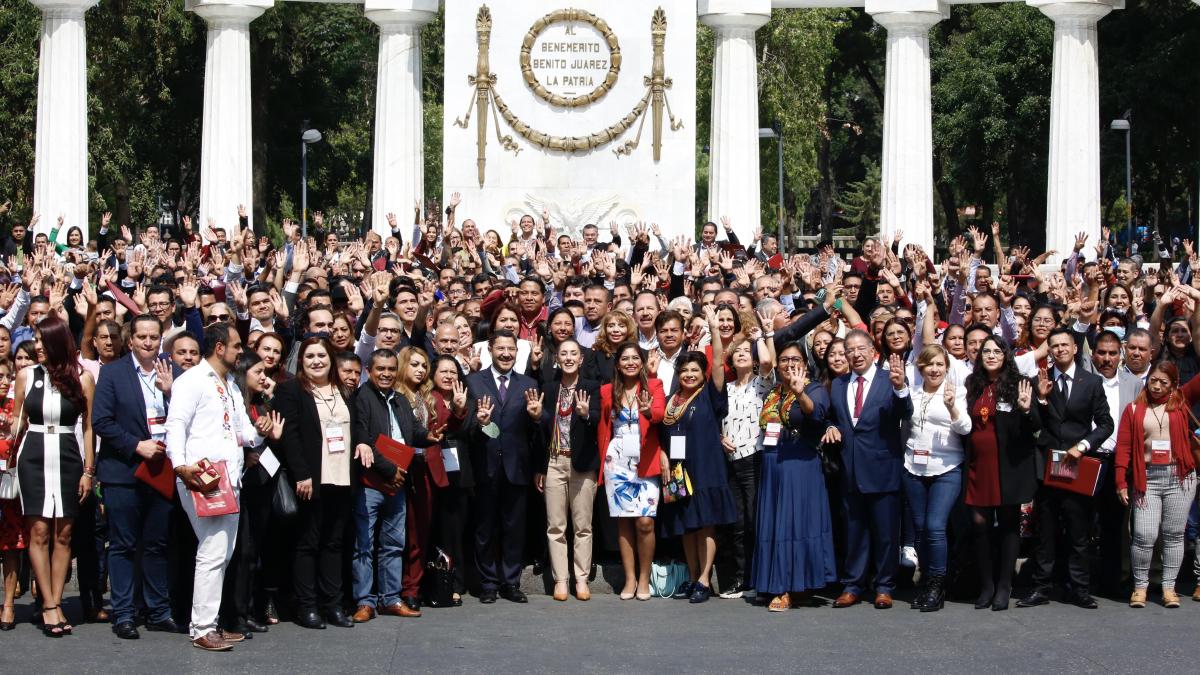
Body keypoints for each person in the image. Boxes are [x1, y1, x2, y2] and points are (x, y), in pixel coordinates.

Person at [165, 321, 275, 651]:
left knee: (223, 554)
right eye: (237, 345)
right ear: (219, 348)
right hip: (203, 478)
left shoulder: (227, 382)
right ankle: (201, 628)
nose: (241, 351)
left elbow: (243, 433)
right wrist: (180, 466)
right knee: (213, 551)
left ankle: (210, 622)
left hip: (230, 479)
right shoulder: (192, 381)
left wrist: (262, 429)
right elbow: (176, 425)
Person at [91, 314, 179, 639]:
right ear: (131, 341)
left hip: (161, 470)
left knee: (156, 544)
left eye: (153, 337)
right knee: (124, 545)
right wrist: (135, 445)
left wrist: (171, 393)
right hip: (124, 471)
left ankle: (158, 611)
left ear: (161, 340)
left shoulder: (172, 371)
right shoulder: (113, 373)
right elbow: (101, 421)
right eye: (141, 336)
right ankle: (124, 614)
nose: (147, 342)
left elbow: (187, 415)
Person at [13, 316, 95, 637]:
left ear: (57, 342)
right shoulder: (25, 375)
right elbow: (18, 421)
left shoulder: (83, 378)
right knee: (38, 532)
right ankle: (49, 605)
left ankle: (57, 601)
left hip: (67, 453)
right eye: (35, 341)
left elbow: (88, 427)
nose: (36, 347)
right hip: (32, 454)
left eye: (41, 341)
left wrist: (89, 470)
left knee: (64, 534)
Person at [1021, 327, 1114, 610]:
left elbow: (1106, 424)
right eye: (1054, 346)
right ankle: (1041, 587)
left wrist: (1084, 446)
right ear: (1048, 350)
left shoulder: (1091, 382)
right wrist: (1040, 399)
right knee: (1045, 531)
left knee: (1078, 531)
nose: (1060, 349)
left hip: (1077, 464)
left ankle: (1079, 588)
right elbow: (1033, 424)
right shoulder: (1040, 379)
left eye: (1065, 344)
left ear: (1075, 348)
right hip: (1047, 465)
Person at [274, 337, 361, 629]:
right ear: (301, 361)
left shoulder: (344, 390)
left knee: (334, 543)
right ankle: (307, 606)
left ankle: (333, 605)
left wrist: (363, 445)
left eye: (321, 355)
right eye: (310, 356)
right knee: (308, 543)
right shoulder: (291, 390)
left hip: (343, 476)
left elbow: (356, 427)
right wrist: (301, 473)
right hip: (312, 478)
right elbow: (291, 436)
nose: (316, 361)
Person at [349, 348, 443, 622]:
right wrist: (391, 470)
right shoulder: (362, 398)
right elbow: (363, 437)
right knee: (364, 544)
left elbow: (412, 431)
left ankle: (390, 598)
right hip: (372, 481)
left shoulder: (400, 399)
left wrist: (429, 436)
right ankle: (364, 601)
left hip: (398, 482)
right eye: (381, 369)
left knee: (393, 543)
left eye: (391, 369)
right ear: (370, 370)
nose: (387, 374)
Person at [822, 329, 913, 609]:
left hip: (883, 468)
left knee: (886, 533)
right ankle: (853, 585)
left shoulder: (890, 380)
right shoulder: (838, 385)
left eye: (861, 348)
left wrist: (900, 389)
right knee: (854, 532)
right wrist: (830, 427)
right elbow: (834, 418)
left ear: (874, 351)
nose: (855, 354)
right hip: (850, 470)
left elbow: (904, 412)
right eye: (850, 350)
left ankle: (884, 586)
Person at [657, 307, 737, 604]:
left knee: (705, 523)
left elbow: (718, 363)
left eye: (694, 370)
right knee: (686, 525)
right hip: (678, 471)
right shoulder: (669, 400)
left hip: (706, 468)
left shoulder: (709, 393)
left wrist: (714, 330)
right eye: (684, 371)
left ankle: (705, 578)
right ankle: (692, 577)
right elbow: (660, 433)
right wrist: (663, 456)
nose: (689, 374)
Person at [751, 343, 837, 611]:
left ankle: (786, 587)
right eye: (785, 359)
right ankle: (779, 583)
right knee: (775, 524)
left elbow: (817, 414)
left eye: (795, 359)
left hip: (800, 466)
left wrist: (801, 394)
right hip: (773, 464)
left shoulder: (813, 389)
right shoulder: (775, 392)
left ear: (805, 362)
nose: (789, 364)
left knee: (795, 524)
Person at [464, 329, 542, 603]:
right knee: (485, 528)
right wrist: (480, 422)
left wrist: (536, 419)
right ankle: (488, 584)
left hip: (516, 467)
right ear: (490, 349)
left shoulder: (528, 384)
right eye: (501, 349)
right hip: (484, 466)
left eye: (511, 349)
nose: (506, 354)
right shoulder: (473, 382)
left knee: (514, 528)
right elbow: (465, 427)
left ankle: (511, 582)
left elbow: (537, 429)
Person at [962, 336, 1039, 611]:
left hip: (1009, 466)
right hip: (977, 466)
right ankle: (987, 585)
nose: (991, 355)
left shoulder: (1021, 384)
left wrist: (1027, 409)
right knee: (980, 524)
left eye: (997, 351)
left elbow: (1035, 426)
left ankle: (1004, 585)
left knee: (1008, 525)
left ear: (1006, 355)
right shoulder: (972, 384)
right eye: (986, 351)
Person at [1114, 362, 1200, 608]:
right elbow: (1124, 448)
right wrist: (1121, 480)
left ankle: (1169, 588)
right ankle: (1140, 587)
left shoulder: (1182, 402)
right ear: (1147, 380)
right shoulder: (1133, 409)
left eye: (1164, 382)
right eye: (1154, 380)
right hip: (1147, 478)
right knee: (1144, 535)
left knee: (1173, 536)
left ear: (1173, 385)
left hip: (1179, 478)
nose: (1158, 385)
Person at [902, 344, 970, 611]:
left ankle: (937, 584)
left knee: (934, 527)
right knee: (920, 531)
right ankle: (927, 580)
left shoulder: (957, 393)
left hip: (947, 468)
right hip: (914, 468)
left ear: (947, 368)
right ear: (921, 368)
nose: (934, 369)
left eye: (940, 365)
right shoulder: (914, 394)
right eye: (929, 364)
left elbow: (965, 427)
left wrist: (952, 407)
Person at [597, 341, 666, 600]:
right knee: (624, 521)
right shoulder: (606, 391)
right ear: (617, 364)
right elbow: (603, 427)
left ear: (642, 362)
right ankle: (629, 579)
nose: (630, 363)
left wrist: (648, 412)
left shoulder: (654, 385)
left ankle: (644, 579)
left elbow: (659, 414)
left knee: (645, 522)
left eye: (635, 358)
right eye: (625, 359)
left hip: (645, 458)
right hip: (617, 461)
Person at [534, 338, 600, 601]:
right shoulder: (549, 389)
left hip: (582, 463)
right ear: (557, 359)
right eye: (564, 354)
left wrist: (585, 414)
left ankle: (581, 579)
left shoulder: (592, 387)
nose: (569, 358)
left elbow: (598, 420)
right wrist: (538, 417)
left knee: (583, 525)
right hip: (554, 461)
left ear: (581, 359)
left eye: (574, 353)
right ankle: (561, 580)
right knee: (555, 525)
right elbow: (541, 431)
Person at [221, 351, 281, 635]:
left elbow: (272, 436)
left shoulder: (261, 403)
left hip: (263, 484)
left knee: (253, 550)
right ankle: (232, 615)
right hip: (240, 484)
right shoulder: (235, 405)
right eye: (258, 372)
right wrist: (246, 454)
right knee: (240, 552)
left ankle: (246, 610)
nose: (263, 377)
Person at [716, 327, 776, 600]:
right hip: (731, 459)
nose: (741, 355)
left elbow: (767, 363)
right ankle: (741, 578)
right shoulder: (725, 388)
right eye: (736, 352)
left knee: (754, 520)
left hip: (755, 457)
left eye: (745, 352)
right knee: (737, 523)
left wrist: (760, 337)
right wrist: (719, 437)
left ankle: (757, 577)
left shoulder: (761, 384)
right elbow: (716, 421)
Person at [394, 346, 449, 615]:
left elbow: (448, 426)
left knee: (419, 534)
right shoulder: (393, 396)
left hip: (426, 470)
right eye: (414, 364)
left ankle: (412, 589)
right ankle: (391, 589)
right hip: (397, 469)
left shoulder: (431, 397)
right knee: (395, 534)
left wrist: (459, 410)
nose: (420, 370)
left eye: (424, 365)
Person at [428, 355, 472, 604]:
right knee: (434, 529)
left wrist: (485, 424)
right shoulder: (426, 399)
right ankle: (432, 582)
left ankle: (455, 583)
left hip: (459, 473)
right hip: (432, 470)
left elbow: (476, 429)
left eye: (453, 371)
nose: (448, 376)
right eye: (443, 371)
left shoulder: (467, 396)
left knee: (456, 532)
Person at [0, 359, 23, 631]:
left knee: (10, 547)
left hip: (9, 484)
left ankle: (8, 604)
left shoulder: (15, 409)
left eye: (7, 376)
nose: (4, 381)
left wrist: (13, 425)